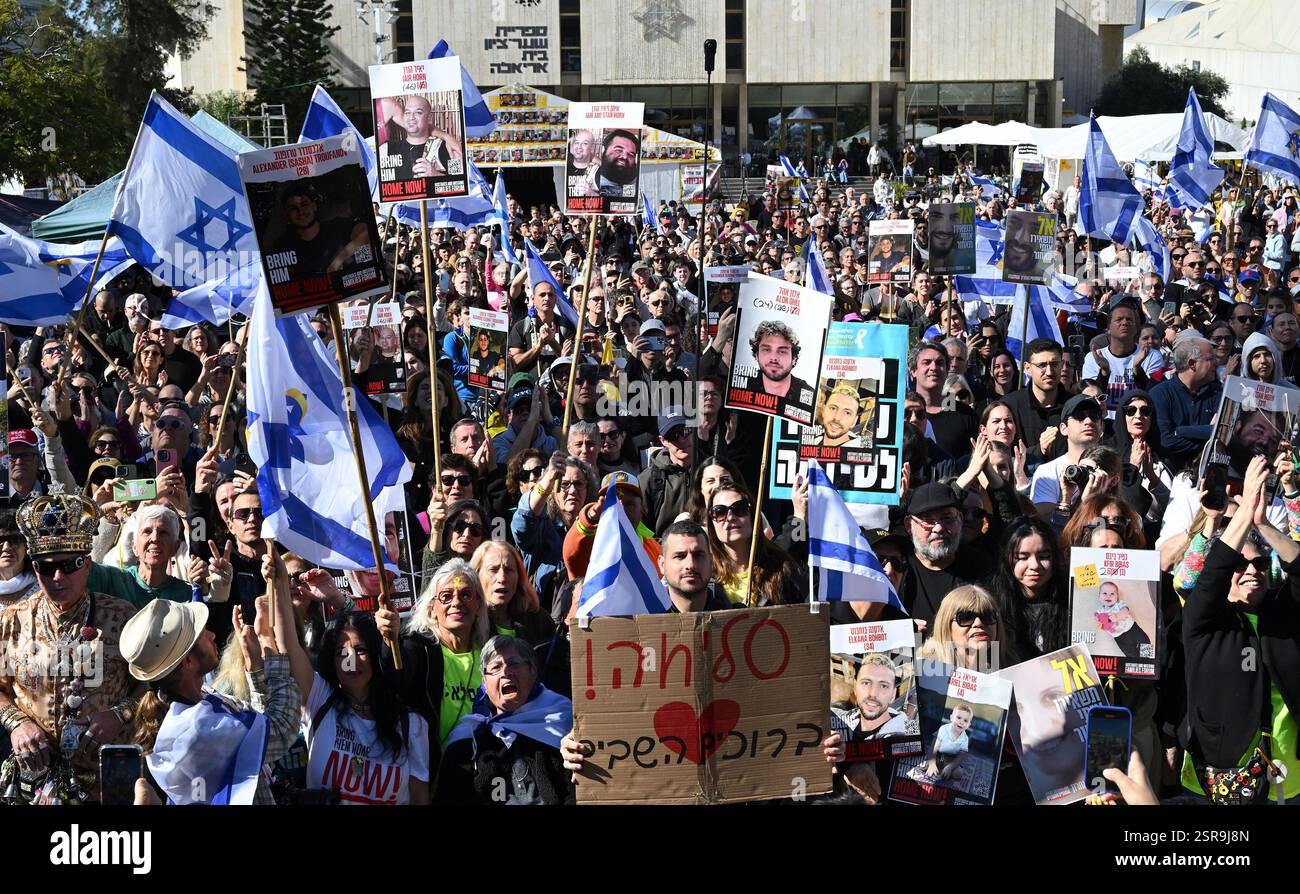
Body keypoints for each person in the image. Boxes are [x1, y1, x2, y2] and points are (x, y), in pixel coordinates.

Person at [0, 494, 141, 804]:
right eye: (46, 568)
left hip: (107, 779)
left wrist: (120, 714)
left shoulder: (121, 616)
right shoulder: (12, 621)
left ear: (87, 564)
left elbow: (153, 686)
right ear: (34, 567)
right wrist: (17, 723)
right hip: (35, 778)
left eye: (69, 565)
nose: (58, 577)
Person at [1180, 456, 1300, 804]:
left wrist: (1262, 524)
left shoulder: (1285, 612)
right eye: (1241, 564)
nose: (1252, 570)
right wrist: (1244, 510)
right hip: (1219, 776)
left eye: (1260, 563)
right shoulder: (1204, 619)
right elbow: (1212, 571)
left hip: (1288, 779)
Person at [123, 572, 300, 805]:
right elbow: (282, 728)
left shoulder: (198, 704)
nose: (212, 634)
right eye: (201, 635)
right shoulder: (196, 729)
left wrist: (254, 666)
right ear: (187, 661)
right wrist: (269, 644)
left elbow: (257, 726)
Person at [296, 609, 430, 805]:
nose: (351, 661)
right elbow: (287, 646)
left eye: (361, 650)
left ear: (375, 655)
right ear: (331, 662)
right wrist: (280, 584)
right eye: (342, 653)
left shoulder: (411, 724)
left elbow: (419, 798)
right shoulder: (319, 701)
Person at [437, 636, 574, 805]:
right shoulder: (468, 737)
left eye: (514, 663)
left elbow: (576, 792)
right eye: (495, 667)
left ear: (533, 671)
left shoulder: (563, 721)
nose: (505, 672)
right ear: (484, 684)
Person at [272, 183, 373, 279]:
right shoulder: (283, 245)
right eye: (293, 208)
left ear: (314, 206)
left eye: (304, 204)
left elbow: (366, 233)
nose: (300, 212)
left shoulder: (337, 226)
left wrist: (339, 260)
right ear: (287, 214)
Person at [830, 653, 914, 747]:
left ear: (893, 694)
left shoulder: (910, 733)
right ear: (855, 687)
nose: (873, 694)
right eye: (866, 683)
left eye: (883, 686)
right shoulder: (842, 718)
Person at [738, 319, 815, 418]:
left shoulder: (808, 394)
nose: (773, 358)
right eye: (766, 349)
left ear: (794, 359)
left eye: (782, 351)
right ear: (756, 355)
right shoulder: (742, 386)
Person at [378, 94, 462, 182]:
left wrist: (436, 175)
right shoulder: (385, 150)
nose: (411, 117)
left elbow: (461, 185)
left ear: (429, 118)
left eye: (418, 112)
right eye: (407, 112)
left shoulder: (450, 150)